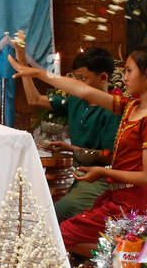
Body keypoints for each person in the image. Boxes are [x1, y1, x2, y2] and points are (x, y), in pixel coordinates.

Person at [9, 42, 147, 259]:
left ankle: (136, 260)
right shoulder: (133, 107)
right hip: (123, 196)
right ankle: (136, 259)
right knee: (65, 236)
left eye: (128, 70)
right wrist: (39, 73)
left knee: (61, 235)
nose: (124, 76)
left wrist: (104, 172)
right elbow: (84, 90)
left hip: (136, 202)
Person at [16, 39, 119, 221]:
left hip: (101, 178)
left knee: (56, 214)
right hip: (79, 174)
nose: (77, 83)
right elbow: (35, 100)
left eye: (83, 78)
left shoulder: (113, 109)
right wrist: (24, 66)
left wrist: (70, 148)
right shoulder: (77, 101)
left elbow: (108, 156)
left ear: (103, 78)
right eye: (75, 77)